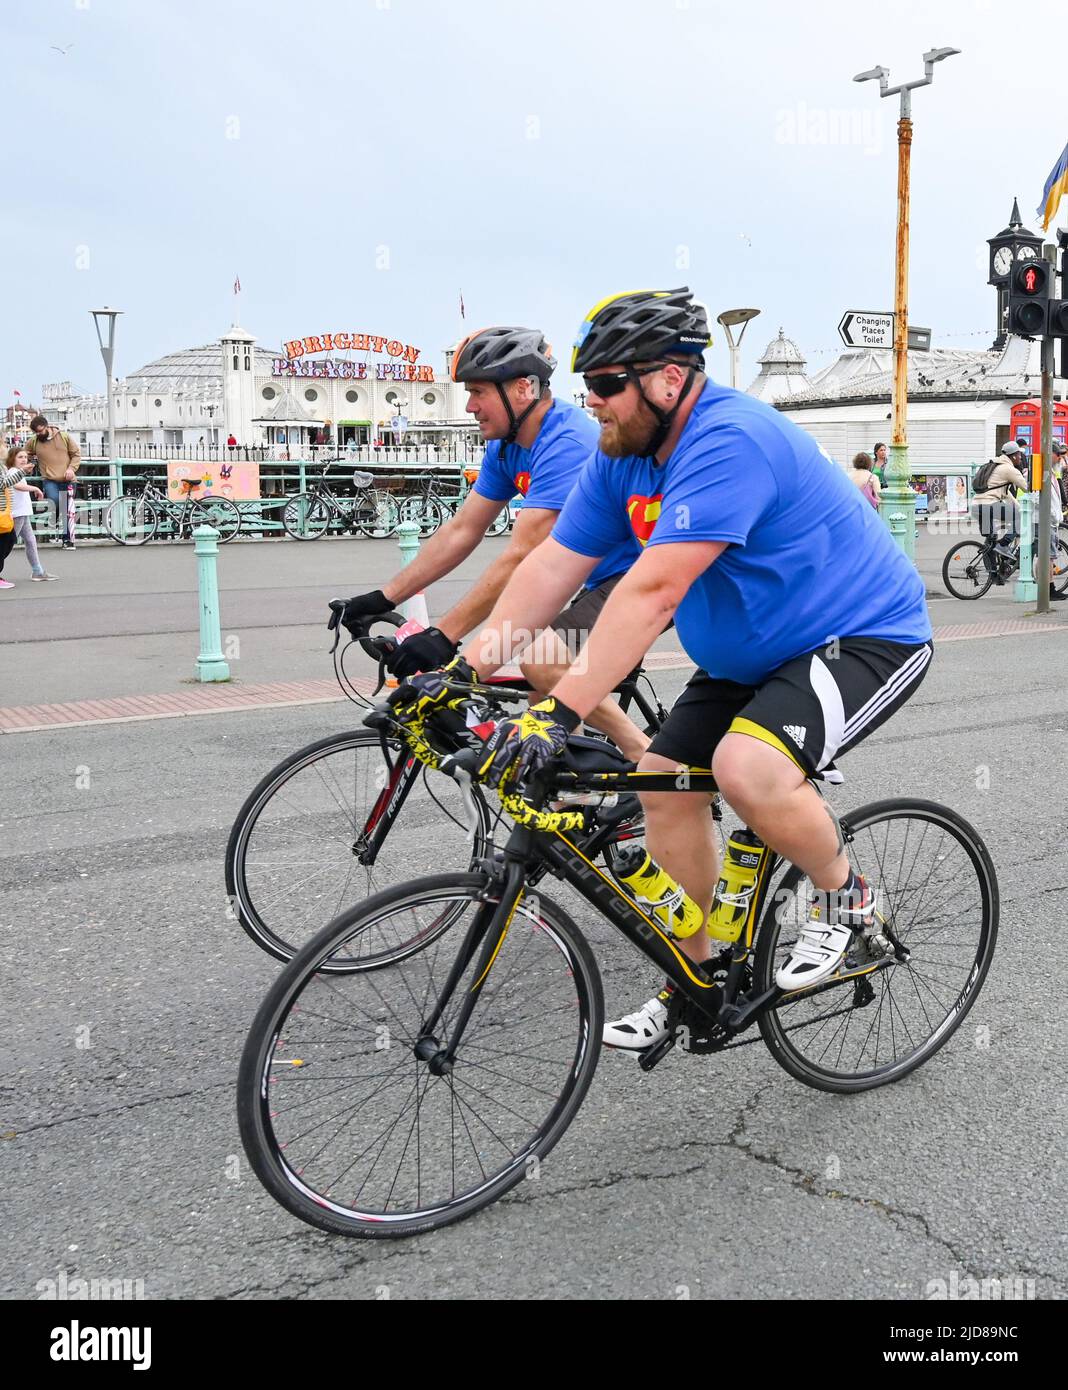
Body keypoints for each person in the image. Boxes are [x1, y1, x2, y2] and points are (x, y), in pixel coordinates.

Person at [399, 287, 933, 1049]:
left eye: (609, 384)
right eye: (590, 386)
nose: (594, 403)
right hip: (746, 657)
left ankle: (848, 904)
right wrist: (461, 665)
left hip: (860, 637)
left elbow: (651, 592)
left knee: (748, 769)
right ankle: (698, 975)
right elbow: (552, 565)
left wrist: (559, 713)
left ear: (669, 380)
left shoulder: (728, 441)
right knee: (663, 786)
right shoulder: (623, 457)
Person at [339, 325, 649, 759]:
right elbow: (463, 530)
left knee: (542, 661)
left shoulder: (568, 442)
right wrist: (382, 596)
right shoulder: (506, 446)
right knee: (540, 726)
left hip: (640, 575)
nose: (469, 406)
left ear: (522, 388)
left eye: (478, 391)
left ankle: (645, 756)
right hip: (594, 579)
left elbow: (525, 555)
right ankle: (564, 814)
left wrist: (444, 636)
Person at [973, 441, 1027, 580]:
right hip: (989, 505)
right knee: (1018, 517)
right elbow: (1028, 487)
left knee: (991, 539)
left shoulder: (994, 466)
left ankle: (994, 575)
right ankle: (1004, 545)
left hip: (977, 506)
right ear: (1013, 456)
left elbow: (1006, 494)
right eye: (1019, 455)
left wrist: (1018, 506)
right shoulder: (1009, 469)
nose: (1021, 458)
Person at [25, 414, 80, 549]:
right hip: (50, 479)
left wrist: (71, 469)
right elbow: (25, 453)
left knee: (67, 509)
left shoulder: (64, 436)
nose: (39, 434)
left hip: (68, 479)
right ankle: (55, 520)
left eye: (41, 431)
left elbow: (76, 454)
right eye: (36, 432)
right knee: (54, 500)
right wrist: (30, 462)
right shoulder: (34, 441)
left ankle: (67, 540)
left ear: (47, 426)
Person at [3, 446, 56, 581]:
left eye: (25, 457)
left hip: (22, 512)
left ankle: (37, 570)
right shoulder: (13, 471)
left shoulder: (17, 471)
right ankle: (37, 571)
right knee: (7, 544)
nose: (24, 459)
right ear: (12, 458)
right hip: (17, 513)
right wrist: (35, 488)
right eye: (20, 457)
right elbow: (17, 486)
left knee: (30, 541)